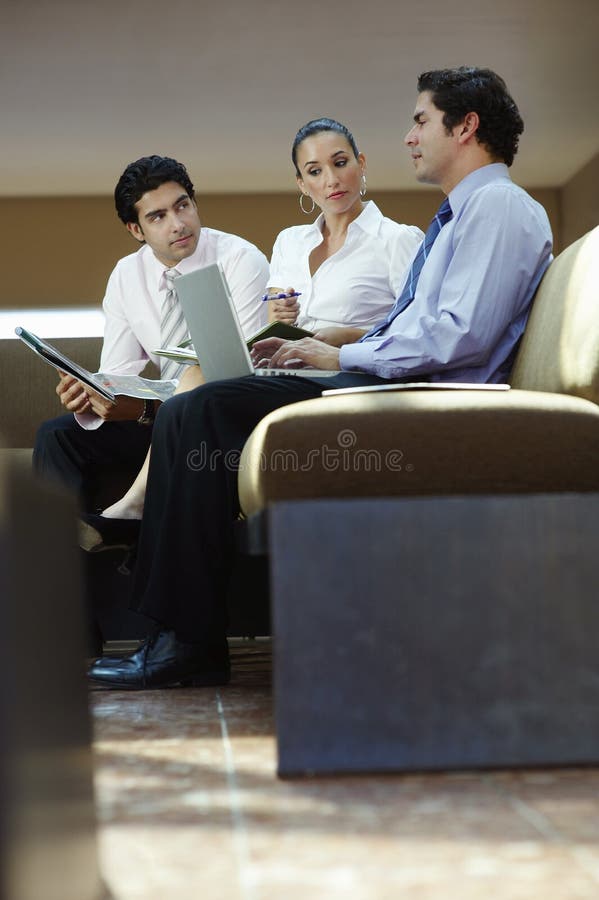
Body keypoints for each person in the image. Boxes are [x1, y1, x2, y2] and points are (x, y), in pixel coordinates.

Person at [88, 67, 553, 690]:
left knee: (196, 411)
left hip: (421, 397)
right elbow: (431, 326)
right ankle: (181, 634)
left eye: (420, 120)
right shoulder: (465, 214)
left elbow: (457, 337)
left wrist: (343, 356)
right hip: (392, 380)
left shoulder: (495, 207)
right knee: (193, 412)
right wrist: (322, 345)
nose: (410, 136)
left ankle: (185, 639)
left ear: (465, 127)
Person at [88, 118, 423, 527]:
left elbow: (411, 335)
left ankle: (138, 504)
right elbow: (269, 325)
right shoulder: (289, 242)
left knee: (198, 392)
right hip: (283, 370)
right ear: (302, 184)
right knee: (195, 374)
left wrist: (341, 340)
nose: (332, 179)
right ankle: (133, 519)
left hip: (340, 375)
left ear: (361, 163)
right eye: (315, 171)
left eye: (340, 163)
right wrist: (277, 320)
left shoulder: (399, 240)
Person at [32, 155, 269, 517]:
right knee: (57, 435)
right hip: (160, 417)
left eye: (183, 206)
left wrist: (146, 408)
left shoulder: (240, 259)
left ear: (194, 203)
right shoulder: (127, 275)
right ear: (135, 230)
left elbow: (243, 375)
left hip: (221, 416)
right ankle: (58, 562)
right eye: (158, 217)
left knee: (195, 408)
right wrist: (94, 393)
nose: (178, 224)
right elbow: (119, 372)